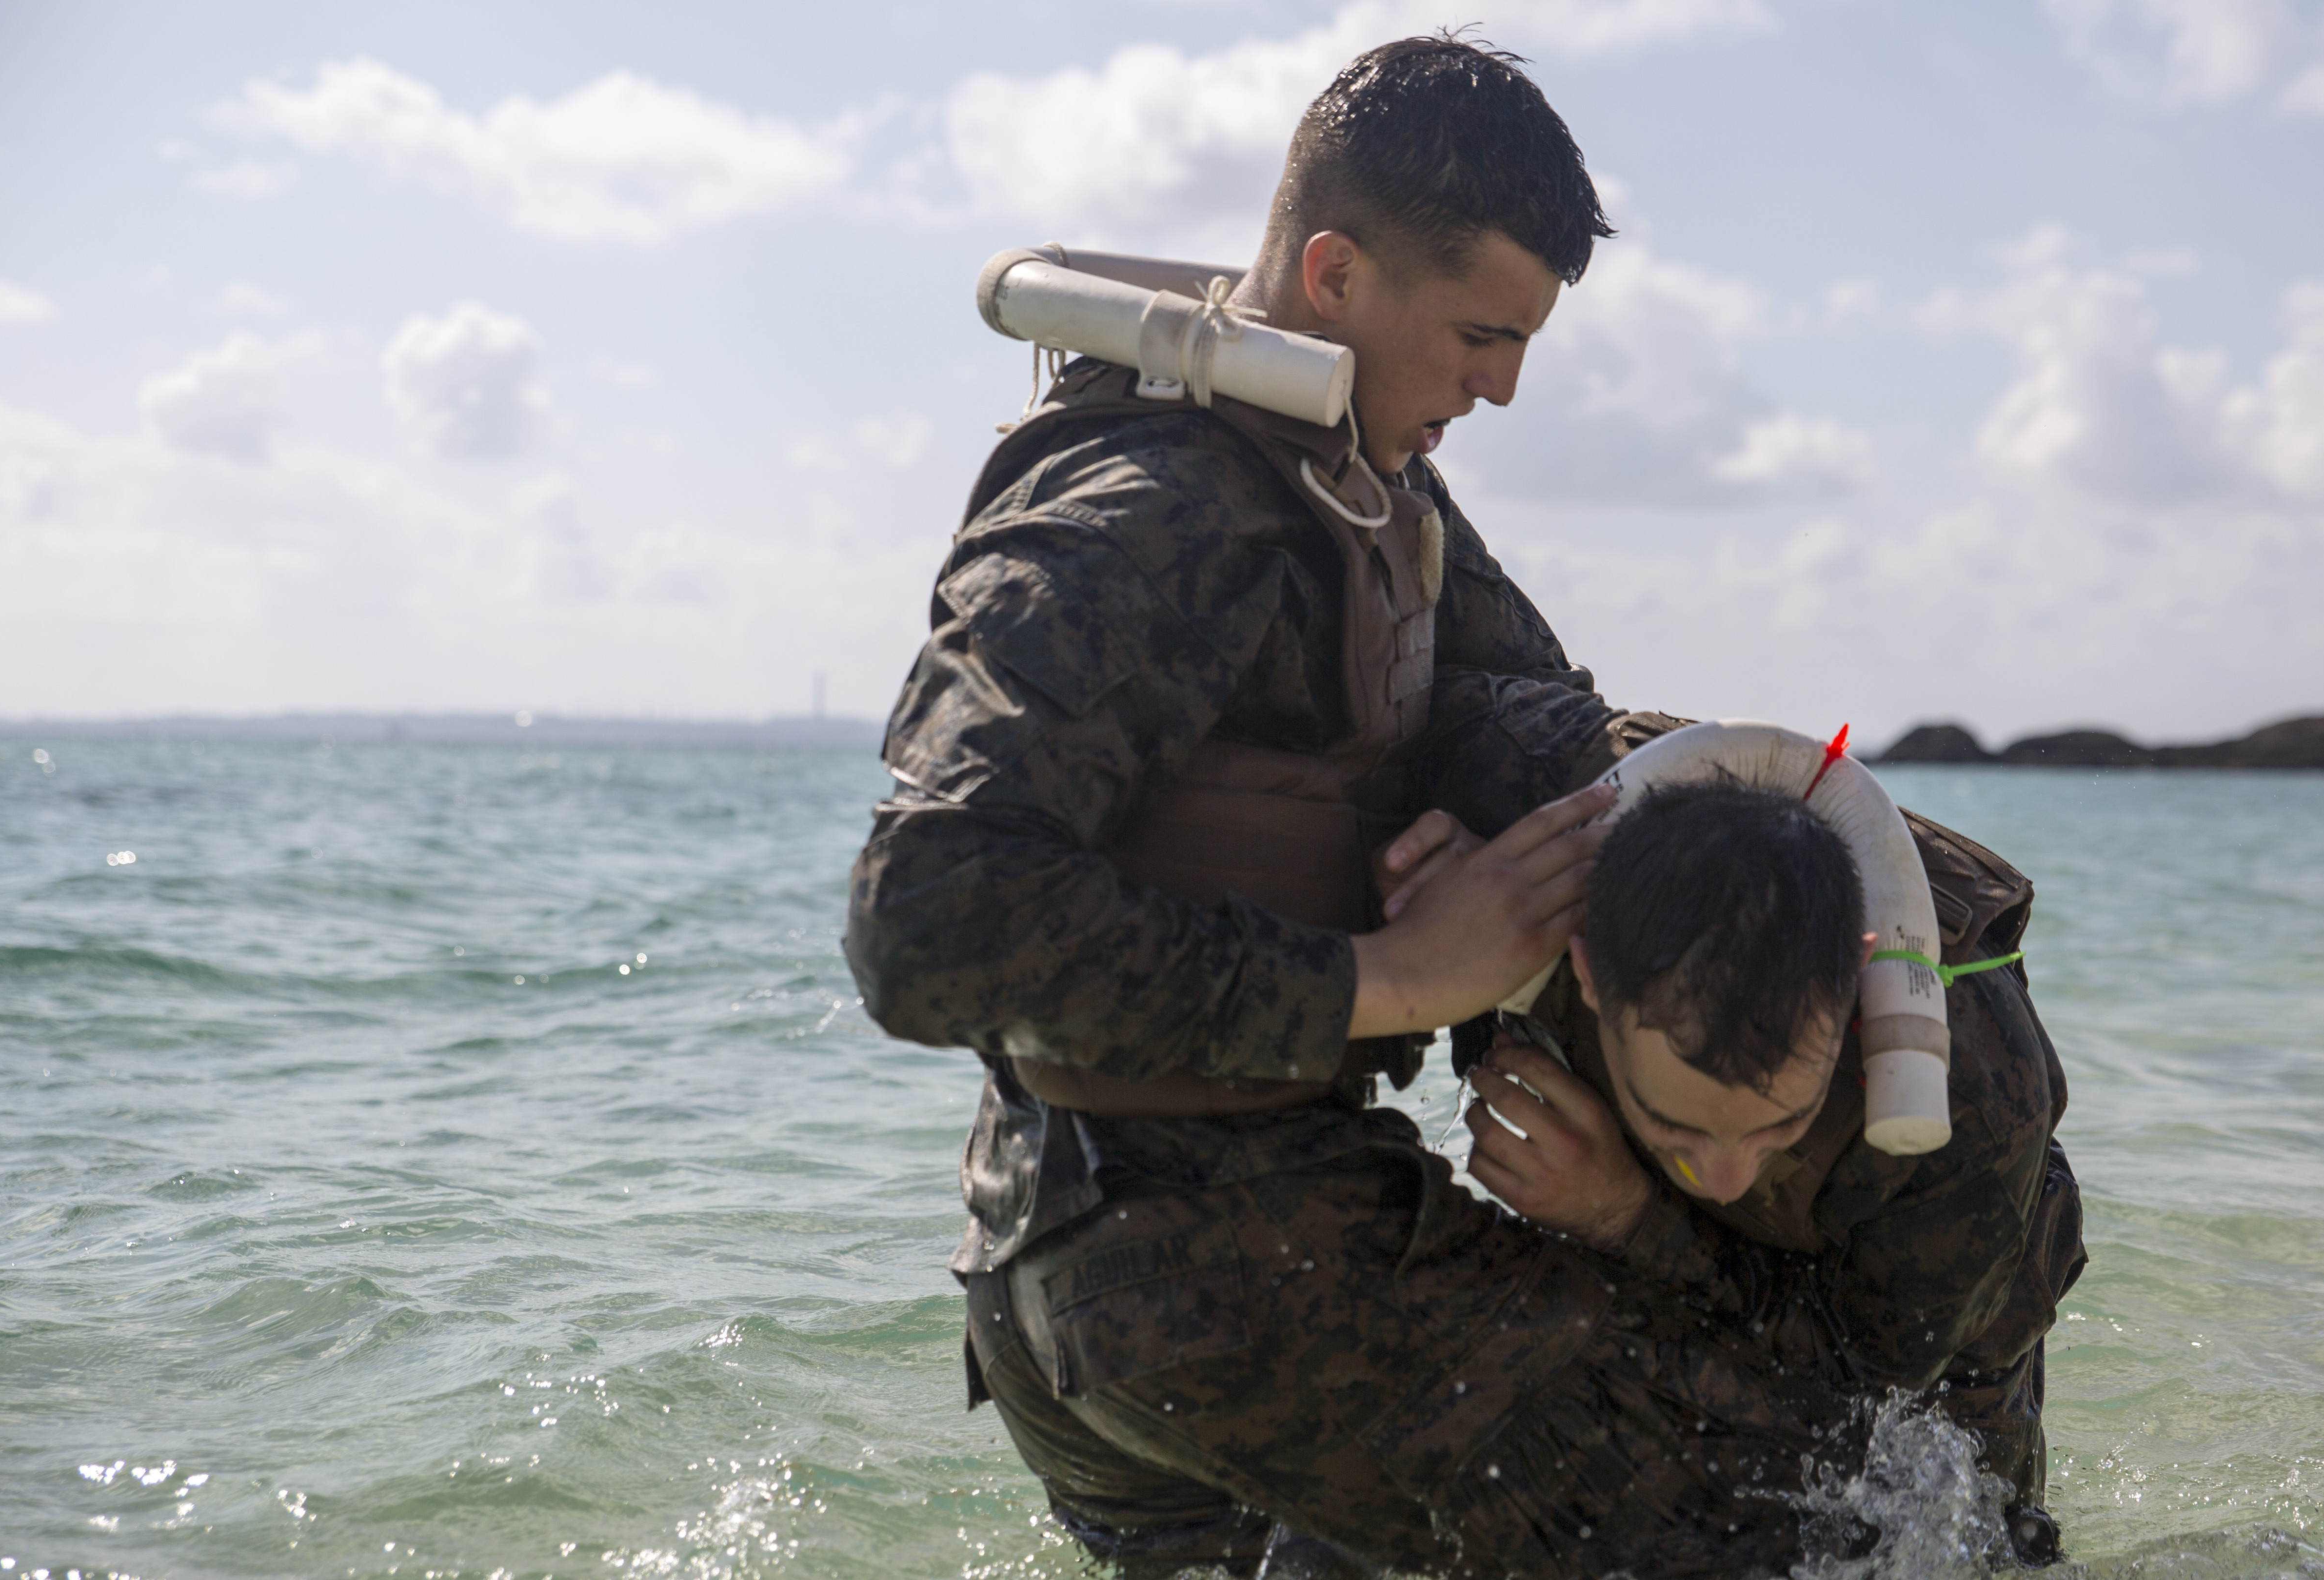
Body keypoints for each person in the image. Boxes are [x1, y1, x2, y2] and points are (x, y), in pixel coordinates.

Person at [847, 35, 1883, 1580]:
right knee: (1812, 1498)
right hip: (1203, 1269)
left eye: (1524, 342)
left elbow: (1547, 722)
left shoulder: (1356, 481)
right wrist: (1388, 980)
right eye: (1479, 333)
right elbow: (923, 916)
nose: (1504, 387)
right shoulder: (1154, 512)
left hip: (1114, 1286)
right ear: (1333, 274)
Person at [1453, 775, 2087, 1565]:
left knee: (1951, 1534)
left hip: (1923, 1304)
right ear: (1586, 972)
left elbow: (1860, 1386)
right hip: (1622, 1165)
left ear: (1850, 980)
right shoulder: (1505, 824)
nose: (1721, 1179)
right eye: (1677, 1124)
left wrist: (1628, 1212)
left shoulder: (1979, 1117)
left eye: (1774, 1124)